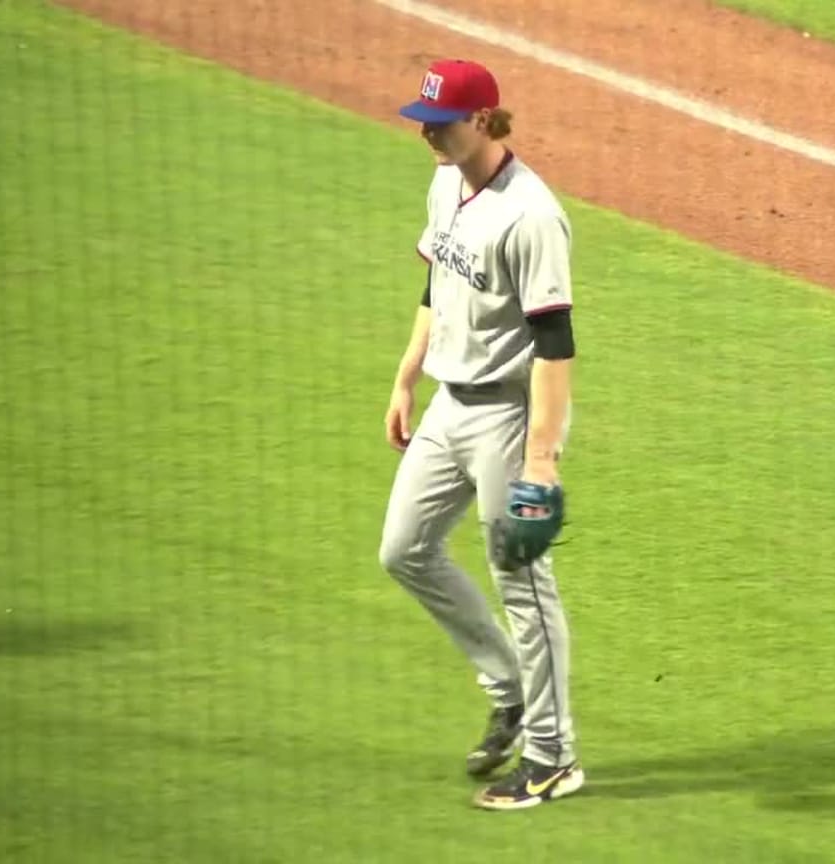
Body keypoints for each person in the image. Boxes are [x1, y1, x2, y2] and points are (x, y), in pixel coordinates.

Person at [378, 58, 583, 811]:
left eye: (442, 123)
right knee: (403, 549)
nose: (428, 133)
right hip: (447, 405)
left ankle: (555, 758)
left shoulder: (532, 215)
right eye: (424, 122)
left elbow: (555, 345)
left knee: (523, 581)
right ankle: (512, 689)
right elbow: (436, 285)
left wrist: (541, 460)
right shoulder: (445, 182)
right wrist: (407, 374)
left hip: (506, 415)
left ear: (484, 120)